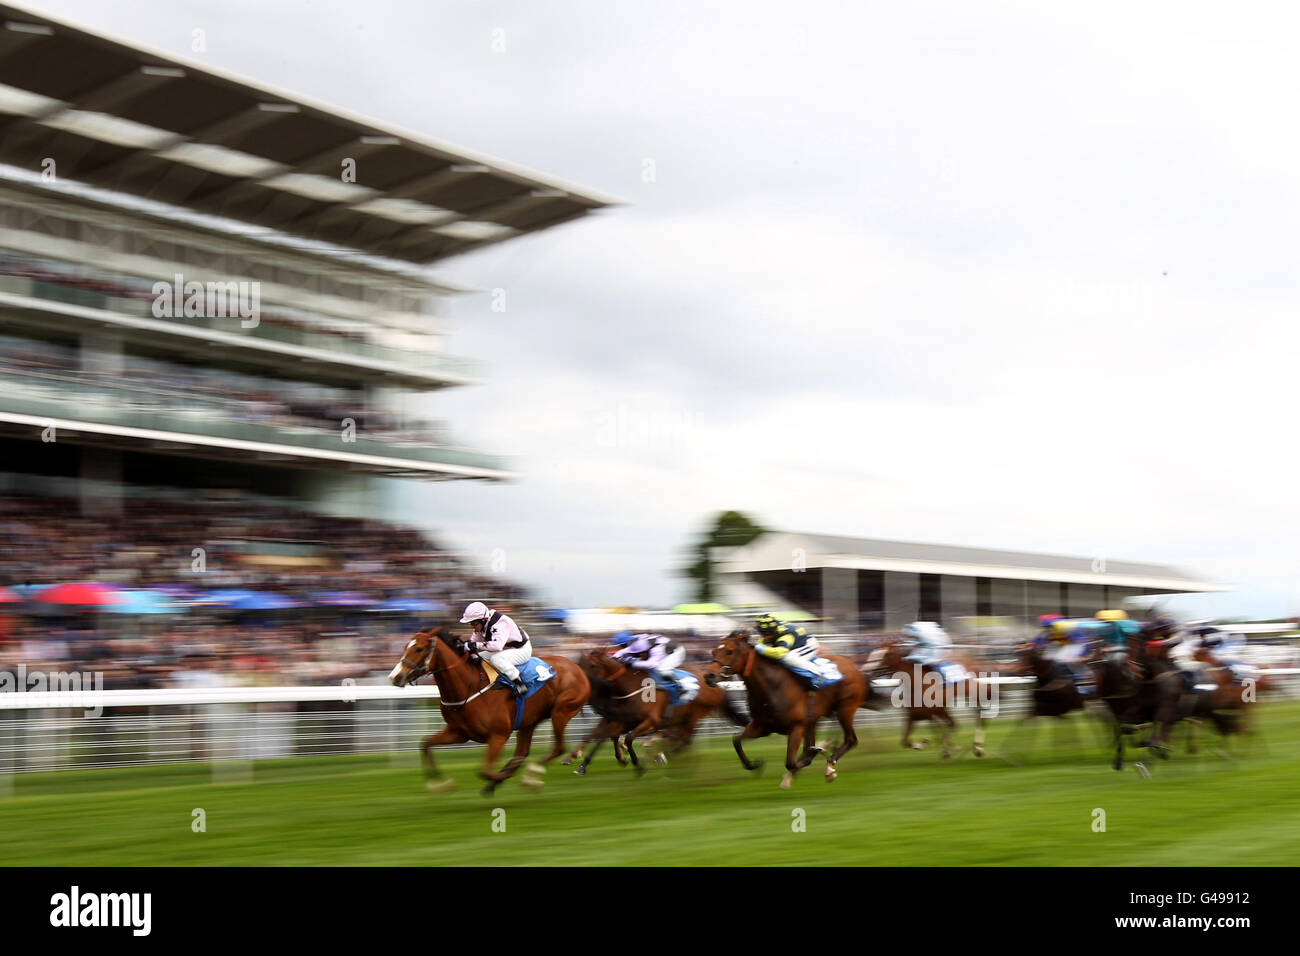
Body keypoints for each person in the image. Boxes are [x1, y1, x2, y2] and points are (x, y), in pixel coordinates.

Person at [459, 601, 531, 696]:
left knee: (496, 659)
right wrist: (463, 647)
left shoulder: (500, 623)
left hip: (521, 650)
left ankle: (519, 684)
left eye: (474, 623)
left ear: (483, 619)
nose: (472, 626)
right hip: (507, 649)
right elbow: (473, 642)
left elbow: (497, 646)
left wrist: (476, 645)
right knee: (477, 657)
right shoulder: (482, 624)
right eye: (471, 623)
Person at [753, 613, 841, 688]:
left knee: (788, 658)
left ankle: (818, 674)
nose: (765, 636)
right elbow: (761, 642)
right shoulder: (773, 630)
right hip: (797, 644)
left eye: (767, 633)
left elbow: (780, 653)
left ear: (774, 630)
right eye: (762, 633)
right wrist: (757, 646)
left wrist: (762, 648)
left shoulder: (786, 636)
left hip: (809, 645)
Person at [611, 631, 694, 702]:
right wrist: (614, 657)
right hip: (663, 648)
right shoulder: (635, 642)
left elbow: (652, 664)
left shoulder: (652, 648)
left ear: (627, 643)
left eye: (621, 646)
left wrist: (632, 663)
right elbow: (625, 651)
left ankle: (682, 688)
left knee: (662, 669)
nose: (621, 648)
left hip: (676, 653)